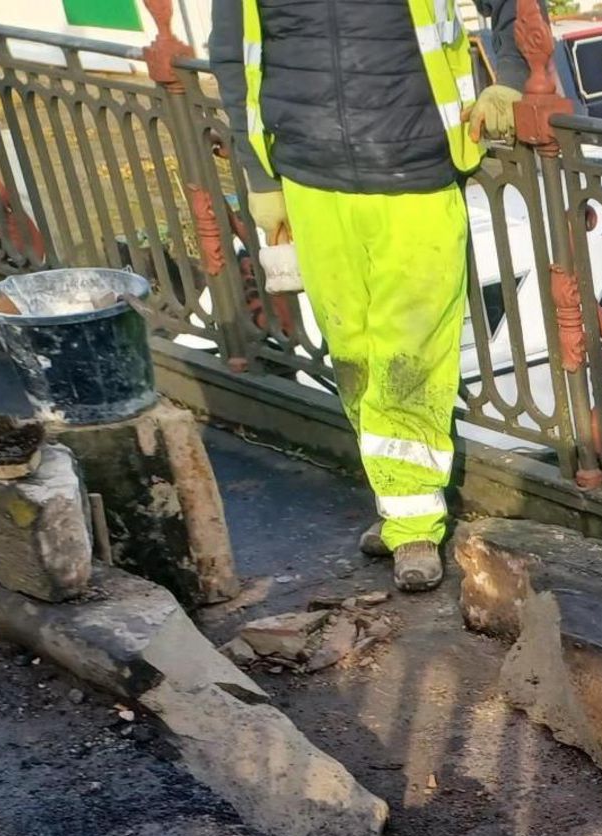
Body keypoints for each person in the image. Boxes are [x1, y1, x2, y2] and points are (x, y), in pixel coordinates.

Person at [209, 0, 528, 591]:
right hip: (309, 178)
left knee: (410, 356)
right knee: (353, 353)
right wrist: (259, 176)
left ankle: (414, 523)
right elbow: (234, 57)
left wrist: (510, 79)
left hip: (416, 168)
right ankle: (396, 496)